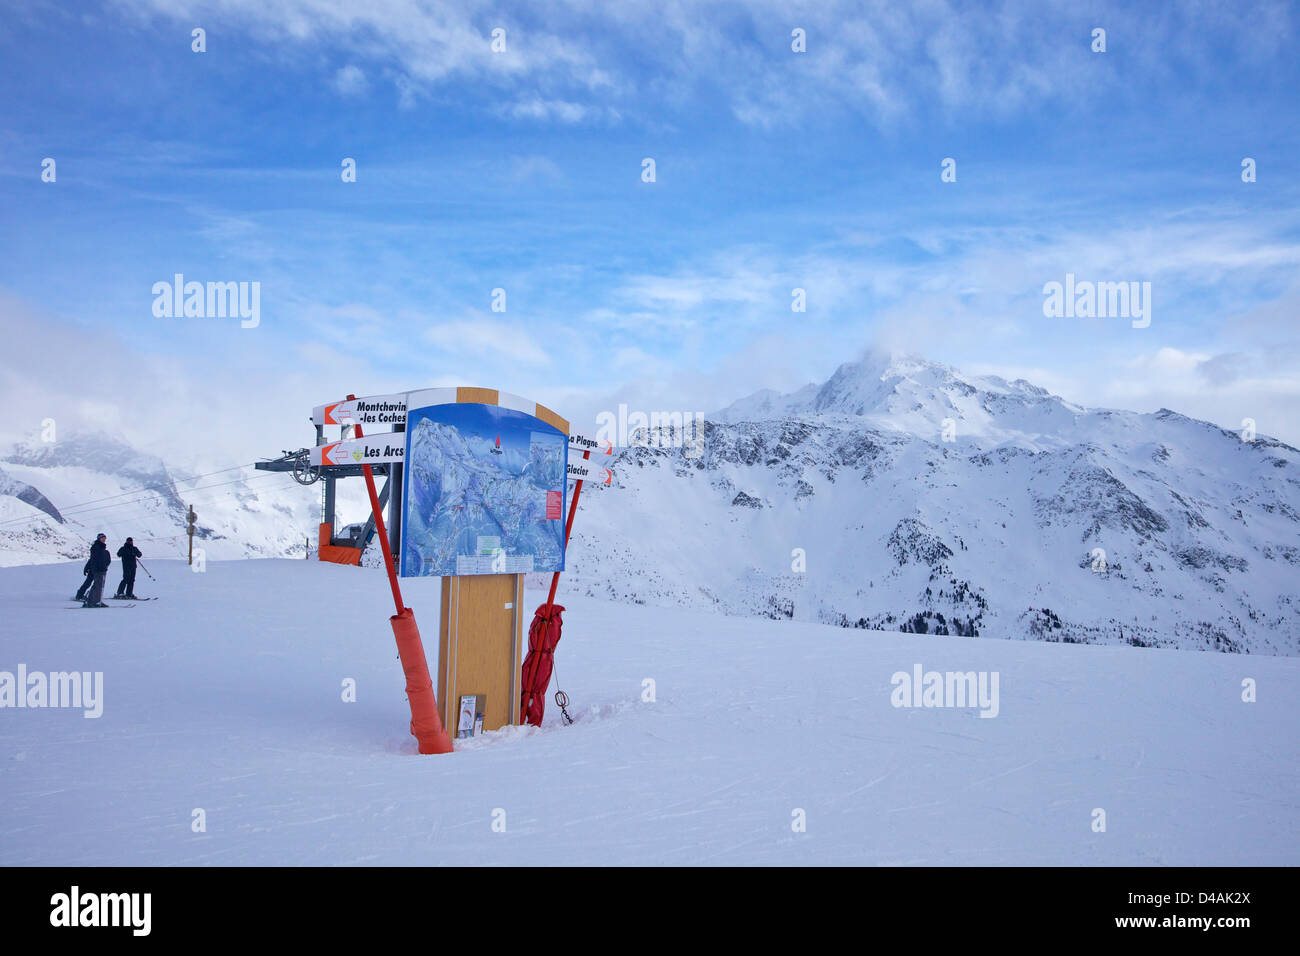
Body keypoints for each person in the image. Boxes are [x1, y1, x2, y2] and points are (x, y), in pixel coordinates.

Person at [82, 533, 112, 608]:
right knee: (97, 585)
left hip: (102, 569)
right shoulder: (96, 547)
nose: (104, 539)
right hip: (97, 569)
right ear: (99, 538)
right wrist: (89, 567)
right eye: (102, 538)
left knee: (99, 586)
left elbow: (105, 559)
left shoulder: (102, 548)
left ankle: (97, 601)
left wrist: (106, 565)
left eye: (105, 538)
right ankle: (91, 601)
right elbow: (94, 559)